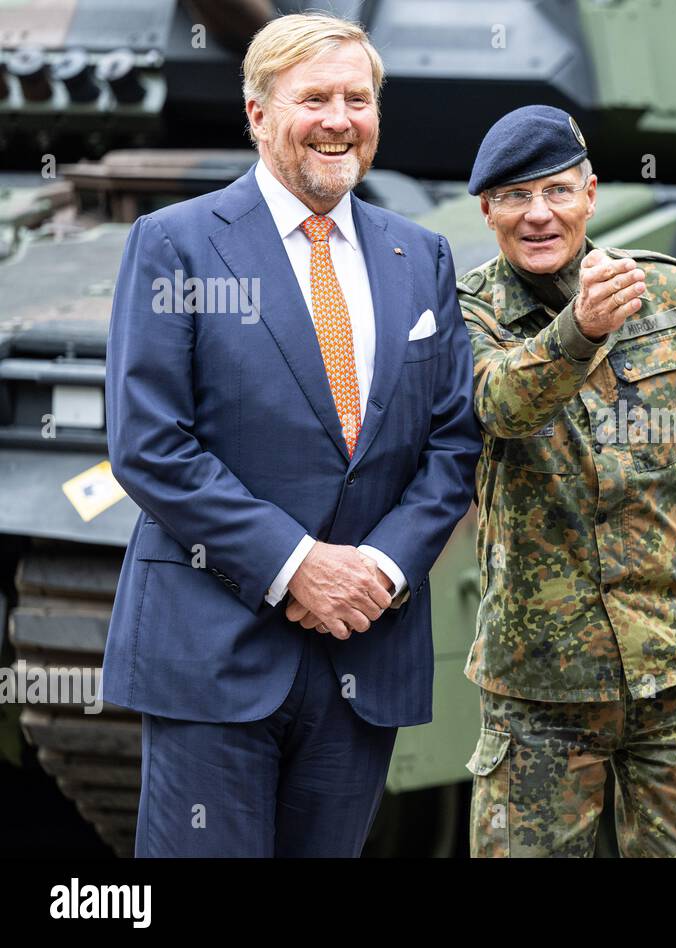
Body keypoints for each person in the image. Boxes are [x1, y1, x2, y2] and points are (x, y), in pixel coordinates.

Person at [102, 12, 480, 857]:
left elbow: (454, 445)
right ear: (258, 113)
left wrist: (375, 569)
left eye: (358, 97)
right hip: (215, 652)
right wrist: (296, 565)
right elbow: (149, 443)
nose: (339, 119)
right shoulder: (177, 245)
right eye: (314, 98)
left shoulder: (419, 256)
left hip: (362, 654)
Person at [457, 105, 676, 857]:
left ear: (592, 193)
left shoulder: (668, 296)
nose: (538, 214)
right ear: (486, 208)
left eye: (556, 191)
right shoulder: (465, 311)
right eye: (515, 197)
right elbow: (499, 405)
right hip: (539, 690)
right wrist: (578, 332)